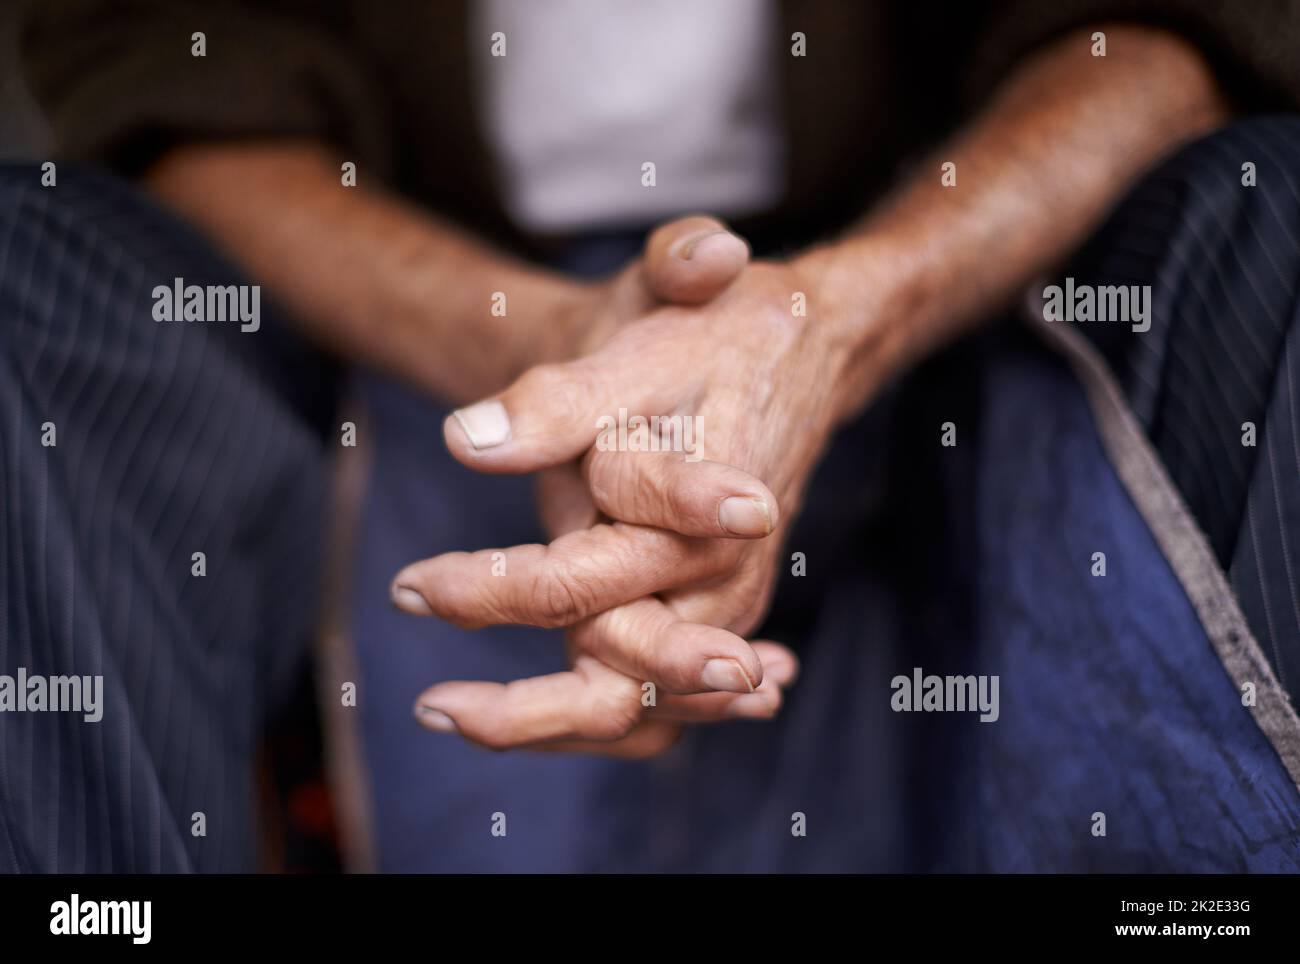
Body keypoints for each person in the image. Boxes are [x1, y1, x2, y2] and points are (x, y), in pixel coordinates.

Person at [5, 0, 1299, 871]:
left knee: (1274, 208)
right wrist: (561, 352)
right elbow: (167, 71)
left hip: (940, 306)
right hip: (390, 323)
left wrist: (834, 319)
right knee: (26, 264)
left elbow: (1166, 32)